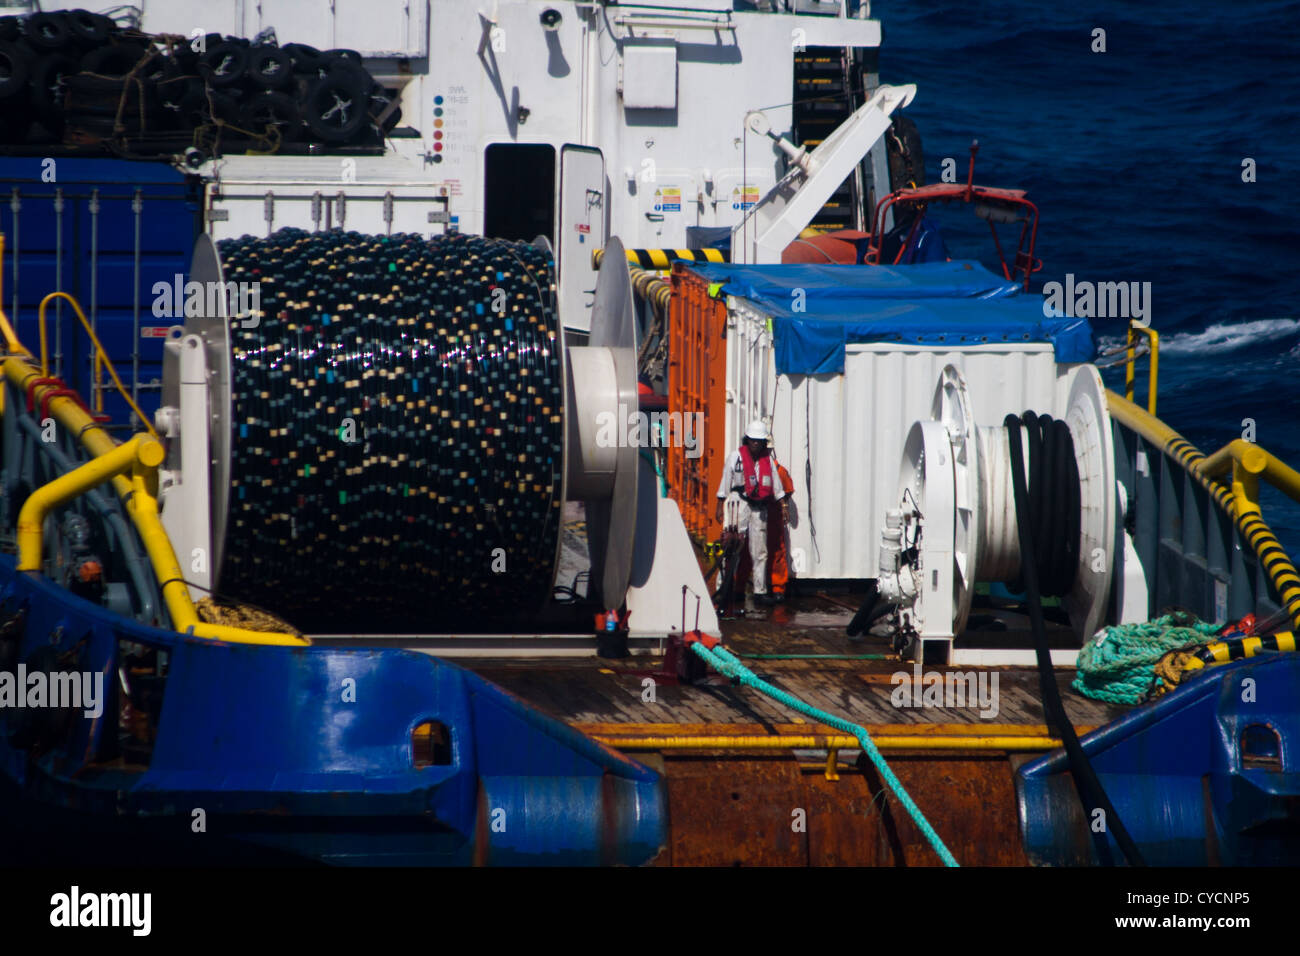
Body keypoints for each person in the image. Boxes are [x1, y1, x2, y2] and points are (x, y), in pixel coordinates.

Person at [715, 420, 788, 605]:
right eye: (753, 440)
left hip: (759, 508)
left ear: (764, 442)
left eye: (759, 440)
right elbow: (725, 481)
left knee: (759, 551)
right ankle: (723, 587)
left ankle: (759, 591)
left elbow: (777, 487)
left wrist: (783, 506)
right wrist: (719, 504)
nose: (756, 443)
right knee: (731, 546)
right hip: (738, 504)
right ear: (747, 439)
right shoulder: (735, 457)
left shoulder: (768, 461)